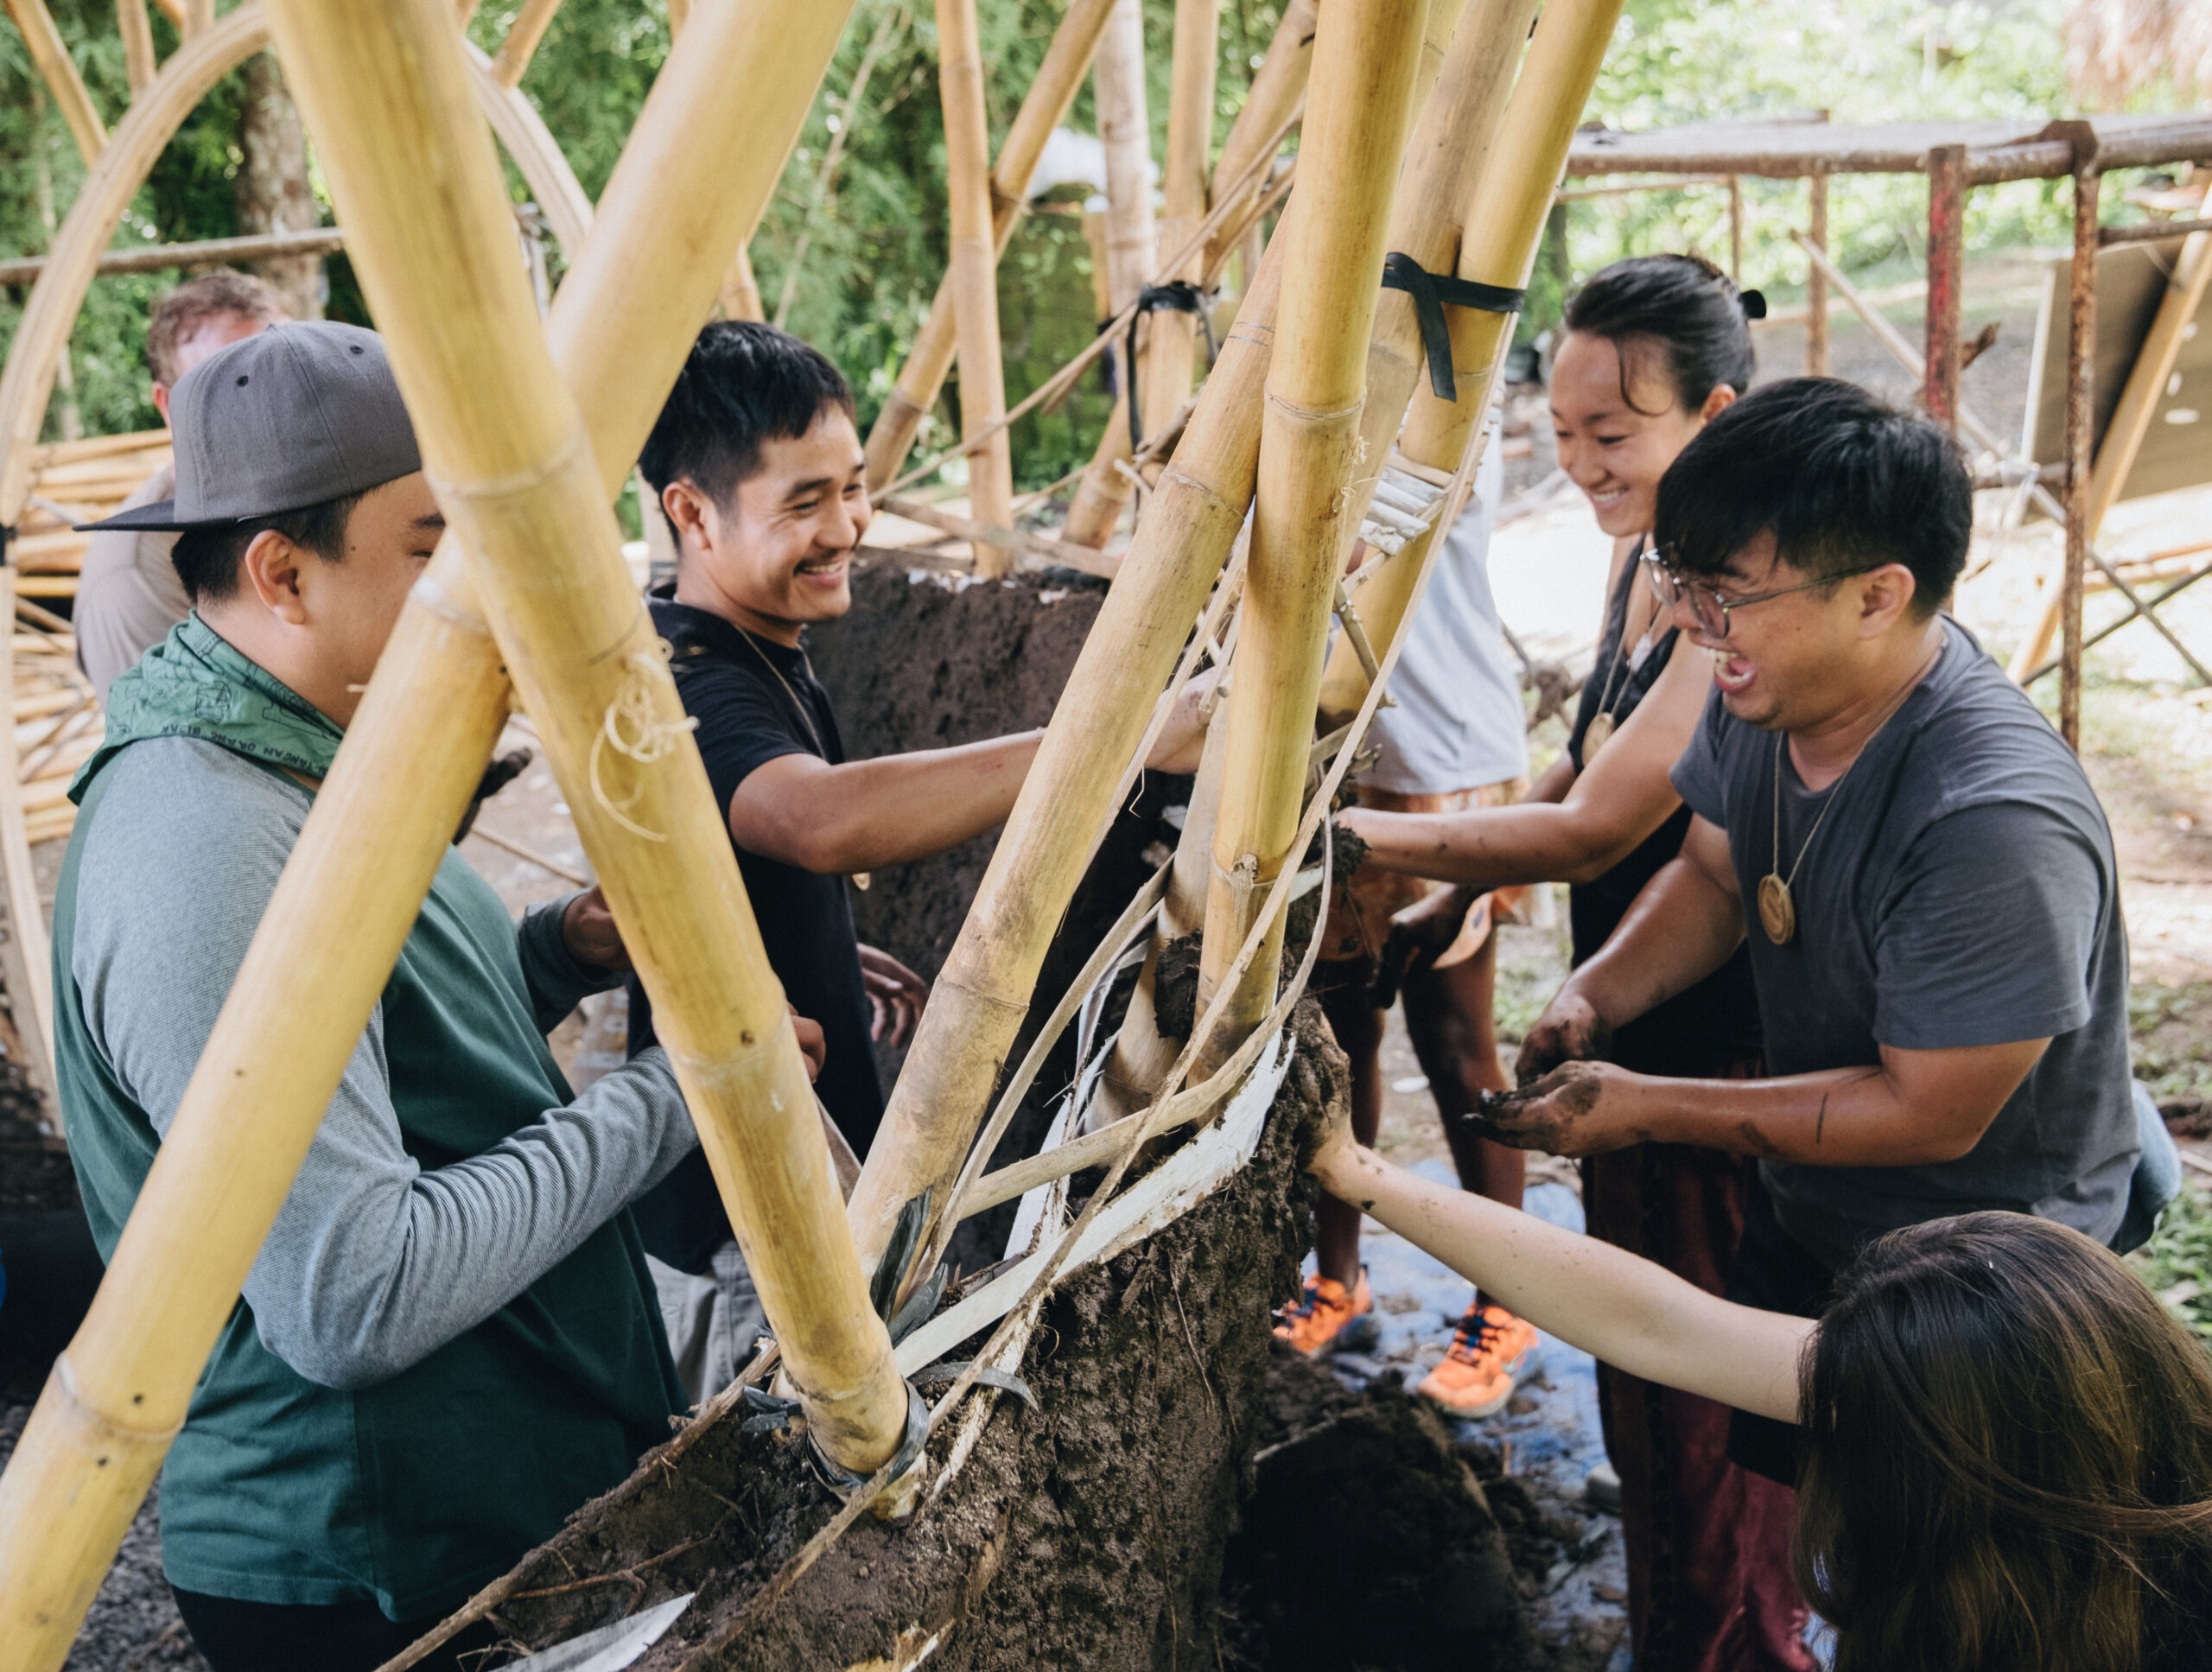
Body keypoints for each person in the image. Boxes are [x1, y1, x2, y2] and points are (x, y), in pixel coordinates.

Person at [59, 323, 772, 1672]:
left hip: (482, 1505)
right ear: (282, 570)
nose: (484, 592)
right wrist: (674, 1097)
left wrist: (558, 949)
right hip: (379, 1570)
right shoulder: (201, 836)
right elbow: (350, 1290)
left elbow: (366, 1042)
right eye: (433, 546)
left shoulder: (317, 748)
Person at [1482, 377, 2151, 1491]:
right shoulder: (1768, 694)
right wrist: (1595, 997)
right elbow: (1711, 872)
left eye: (1727, 594)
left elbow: (1929, 1114)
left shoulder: (1988, 819)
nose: (1694, 624)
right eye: (1678, 583)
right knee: (1822, 1520)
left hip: (1988, 1286)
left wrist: (1648, 1109)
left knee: (1956, 1585)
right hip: (1823, 1220)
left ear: (1879, 595)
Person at [1339, 256, 1800, 1668]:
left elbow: (1613, 818)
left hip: (1716, 1051)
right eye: (1564, 435)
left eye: (1615, 437)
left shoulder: (1733, 587)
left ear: (1712, 415)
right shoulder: (1648, 562)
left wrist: (1365, 837)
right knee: (1650, 1394)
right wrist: (1450, 901)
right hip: (1632, 1029)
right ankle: (1677, 1628)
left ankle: (1725, 1645)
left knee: (1710, 1401)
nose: (1585, 463)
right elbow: (1586, 763)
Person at [628, 321, 1205, 1401]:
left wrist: (830, 942)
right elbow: (816, 821)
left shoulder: (764, 650)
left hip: (787, 1178)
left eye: (853, 488)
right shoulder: (688, 683)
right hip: (733, 1229)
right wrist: (1121, 735)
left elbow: (753, 858)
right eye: (803, 503)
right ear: (691, 513)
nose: (846, 526)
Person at [1307, 1105, 2212, 1672]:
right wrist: (1360, 1174)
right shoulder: (2045, 1436)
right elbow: (1659, 1324)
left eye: (1846, 1438)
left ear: (1943, 1497)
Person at [1274, 432, 1547, 1427]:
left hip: (1438, 759)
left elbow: (1344, 542)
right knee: (1340, 1040)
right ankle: (1338, 1281)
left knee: (1454, 1039)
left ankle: (1505, 1304)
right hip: (1330, 758)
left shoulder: (1448, 392)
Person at [76, 270, 291, 701]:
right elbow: (196, 748)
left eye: (284, 375)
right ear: (168, 405)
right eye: (232, 386)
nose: (268, 406)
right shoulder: (136, 576)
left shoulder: (294, 491)